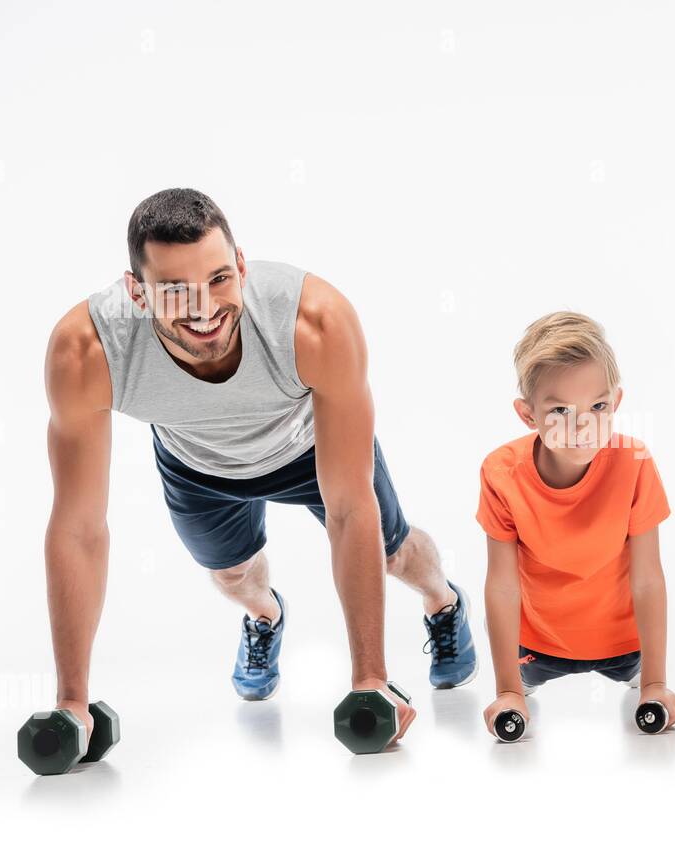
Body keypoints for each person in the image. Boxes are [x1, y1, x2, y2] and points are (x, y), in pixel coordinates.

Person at [42, 188, 476, 747]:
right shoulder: (86, 352)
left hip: (308, 448)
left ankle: (443, 600)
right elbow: (78, 528)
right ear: (137, 293)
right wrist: (71, 703)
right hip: (198, 466)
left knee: (394, 553)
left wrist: (371, 680)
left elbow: (348, 506)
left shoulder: (316, 321)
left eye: (219, 279)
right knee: (233, 577)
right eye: (175, 290)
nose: (204, 308)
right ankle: (265, 618)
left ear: (241, 265)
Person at [476, 312, 675, 735]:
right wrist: (507, 690)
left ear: (616, 403)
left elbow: (647, 579)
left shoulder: (634, 462)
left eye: (598, 406)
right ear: (527, 415)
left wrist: (656, 683)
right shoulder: (501, 472)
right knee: (519, 684)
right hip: (535, 650)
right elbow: (501, 585)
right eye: (560, 410)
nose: (583, 425)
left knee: (643, 686)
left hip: (627, 651)